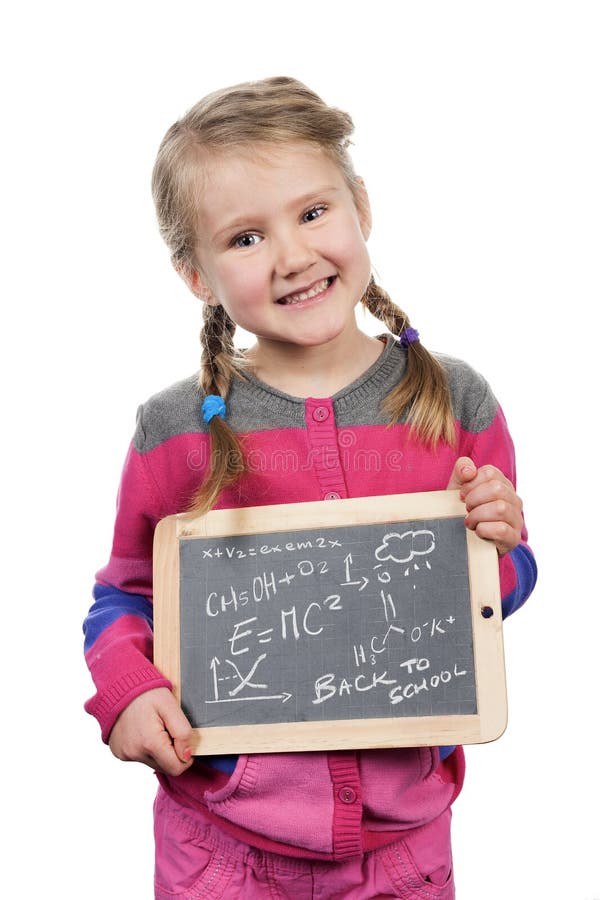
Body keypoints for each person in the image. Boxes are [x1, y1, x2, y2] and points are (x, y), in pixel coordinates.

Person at [83, 76, 537, 899]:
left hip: (402, 846)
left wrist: (498, 542)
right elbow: (126, 595)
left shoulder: (454, 402)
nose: (293, 255)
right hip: (221, 846)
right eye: (246, 237)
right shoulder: (174, 428)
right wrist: (126, 690)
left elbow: (497, 594)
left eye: (313, 212)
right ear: (195, 272)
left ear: (360, 204)